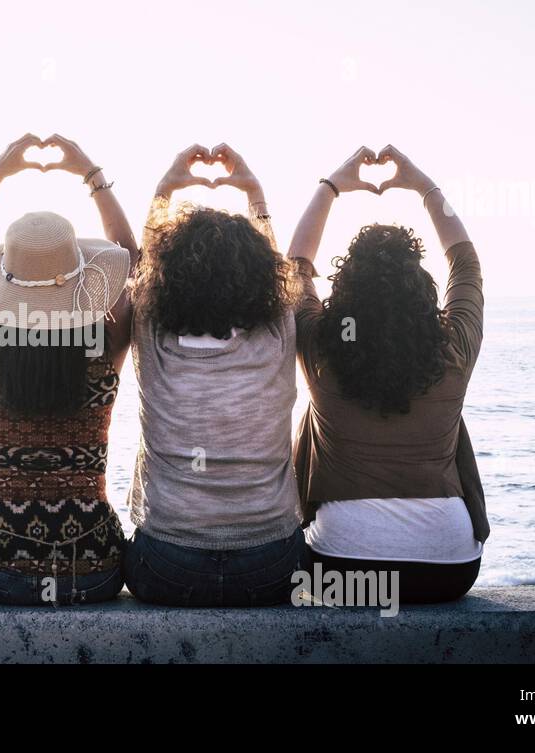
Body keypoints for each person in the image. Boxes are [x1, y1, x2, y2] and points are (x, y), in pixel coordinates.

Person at [287, 145, 488, 603]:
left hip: (341, 568)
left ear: (344, 287)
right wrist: (422, 185)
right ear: (422, 289)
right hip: (450, 569)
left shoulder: (322, 347)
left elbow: (295, 268)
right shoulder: (453, 347)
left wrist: (331, 187)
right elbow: (465, 262)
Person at [0, 134, 135, 605]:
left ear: (5, 279)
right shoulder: (103, 348)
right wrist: (91, 173)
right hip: (91, 570)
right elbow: (131, 254)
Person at [124, 144, 307, 606]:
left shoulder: (154, 336)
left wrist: (166, 188)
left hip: (167, 563)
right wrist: (254, 193)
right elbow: (279, 266)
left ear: (167, 276)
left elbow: (143, 264)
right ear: (265, 277)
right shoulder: (277, 335)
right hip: (272, 564)